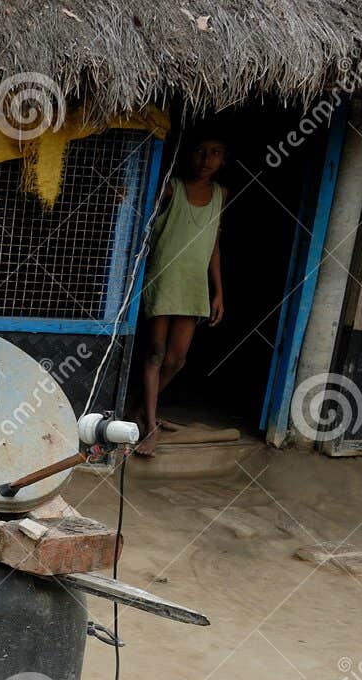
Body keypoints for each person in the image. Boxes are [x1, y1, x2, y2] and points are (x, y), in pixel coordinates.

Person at [134, 132, 227, 455]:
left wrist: (218, 292)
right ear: (188, 153)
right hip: (164, 280)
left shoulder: (221, 194)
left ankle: (140, 410)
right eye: (200, 151)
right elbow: (140, 207)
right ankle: (149, 426)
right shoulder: (172, 188)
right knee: (155, 354)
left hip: (193, 285)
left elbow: (214, 244)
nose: (206, 160)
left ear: (224, 159)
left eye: (215, 152)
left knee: (176, 360)